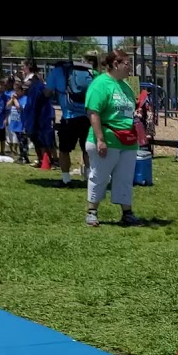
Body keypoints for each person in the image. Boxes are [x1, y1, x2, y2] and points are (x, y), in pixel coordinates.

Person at [83, 49, 142, 228]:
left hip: (128, 141)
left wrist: (137, 114)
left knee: (124, 178)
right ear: (115, 64)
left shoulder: (126, 86)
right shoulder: (100, 84)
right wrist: (100, 139)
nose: (130, 67)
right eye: (127, 63)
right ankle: (92, 212)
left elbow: (129, 110)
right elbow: (93, 112)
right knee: (99, 176)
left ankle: (127, 213)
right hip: (107, 139)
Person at [46, 51, 100, 187]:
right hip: (88, 116)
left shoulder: (58, 72)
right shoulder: (90, 72)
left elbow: (47, 92)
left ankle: (66, 179)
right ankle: (89, 179)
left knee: (64, 150)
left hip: (69, 116)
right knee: (87, 149)